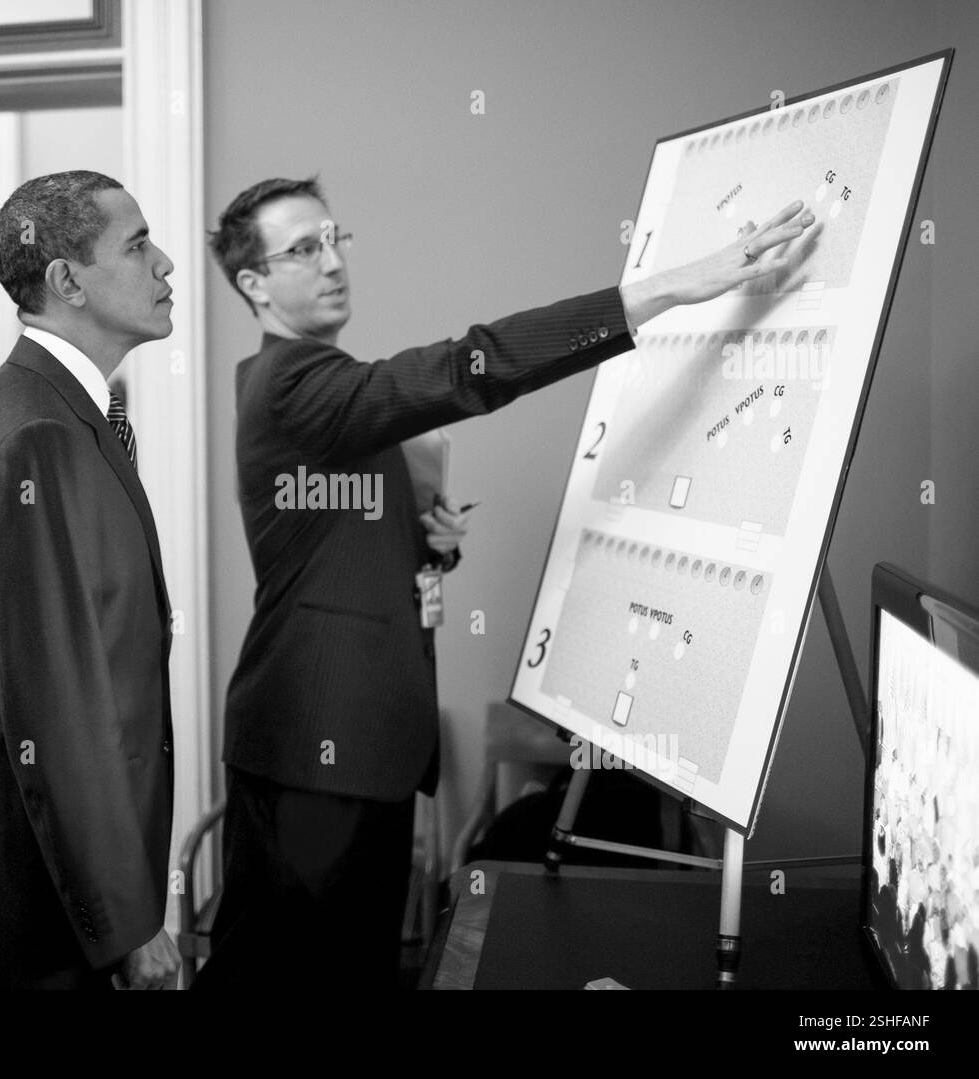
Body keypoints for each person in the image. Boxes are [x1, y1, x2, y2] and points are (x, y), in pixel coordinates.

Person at [198, 176, 815, 988]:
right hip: (317, 752)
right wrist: (664, 289)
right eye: (303, 249)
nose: (332, 260)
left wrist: (431, 550)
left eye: (335, 237)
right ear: (253, 283)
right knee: (282, 972)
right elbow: (468, 367)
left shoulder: (317, 388)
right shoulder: (293, 384)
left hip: (362, 748)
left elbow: (327, 536)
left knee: (349, 966)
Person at [0, 171, 181, 990]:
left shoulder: (38, 405)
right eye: (136, 245)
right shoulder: (35, 435)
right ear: (67, 280)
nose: (164, 263)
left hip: (29, 883)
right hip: (35, 910)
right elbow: (54, 712)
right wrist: (127, 924)